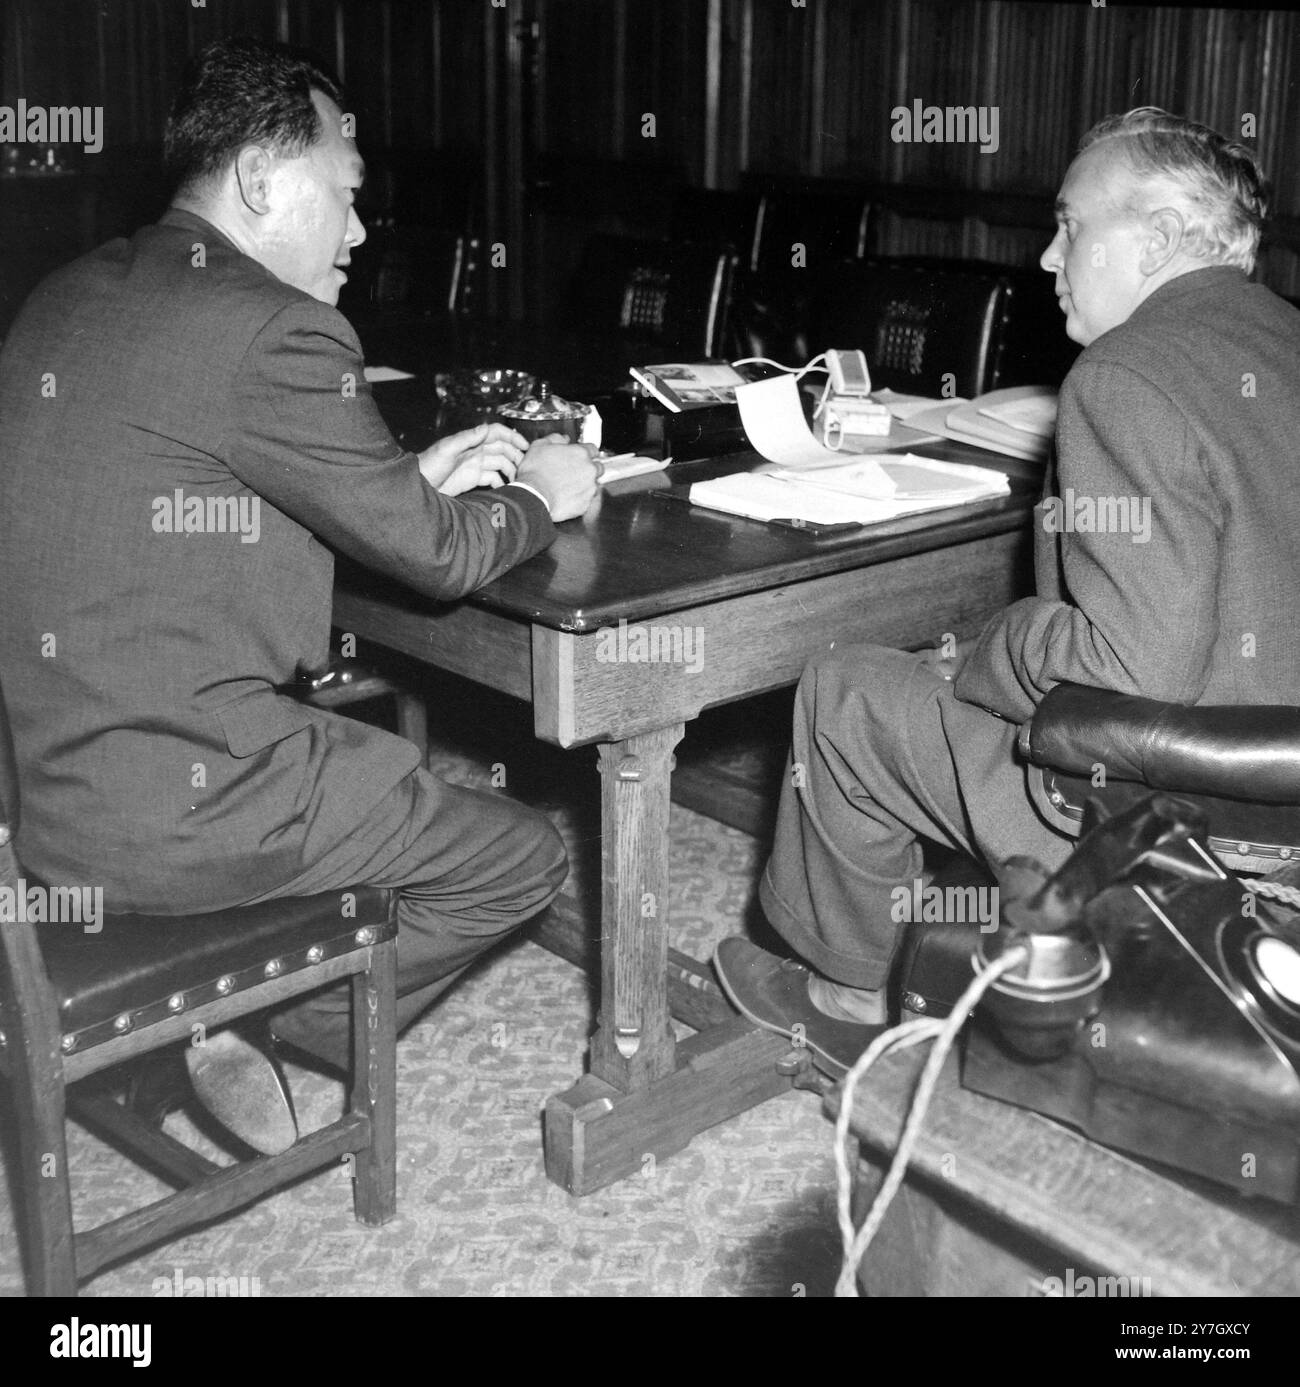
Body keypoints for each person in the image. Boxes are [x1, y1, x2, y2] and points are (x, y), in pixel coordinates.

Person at [0, 36, 598, 1150]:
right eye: (350, 194)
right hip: (183, 804)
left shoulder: (69, 290)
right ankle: (276, 1012)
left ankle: (211, 1018)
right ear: (264, 183)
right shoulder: (277, 326)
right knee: (520, 854)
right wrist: (541, 497)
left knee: (395, 774)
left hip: (46, 794)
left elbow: (178, 492)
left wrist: (400, 483)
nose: (363, 233)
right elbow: (442, 562)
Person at [715, 107, 1300, 1073]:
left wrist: (1000, 645)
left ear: (1155, 239)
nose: (1044, 257)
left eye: (1071, 226)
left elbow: (1130, 664)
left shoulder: (1126, 375)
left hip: (1186, 818)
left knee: (843, 689)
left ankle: (845, 998)